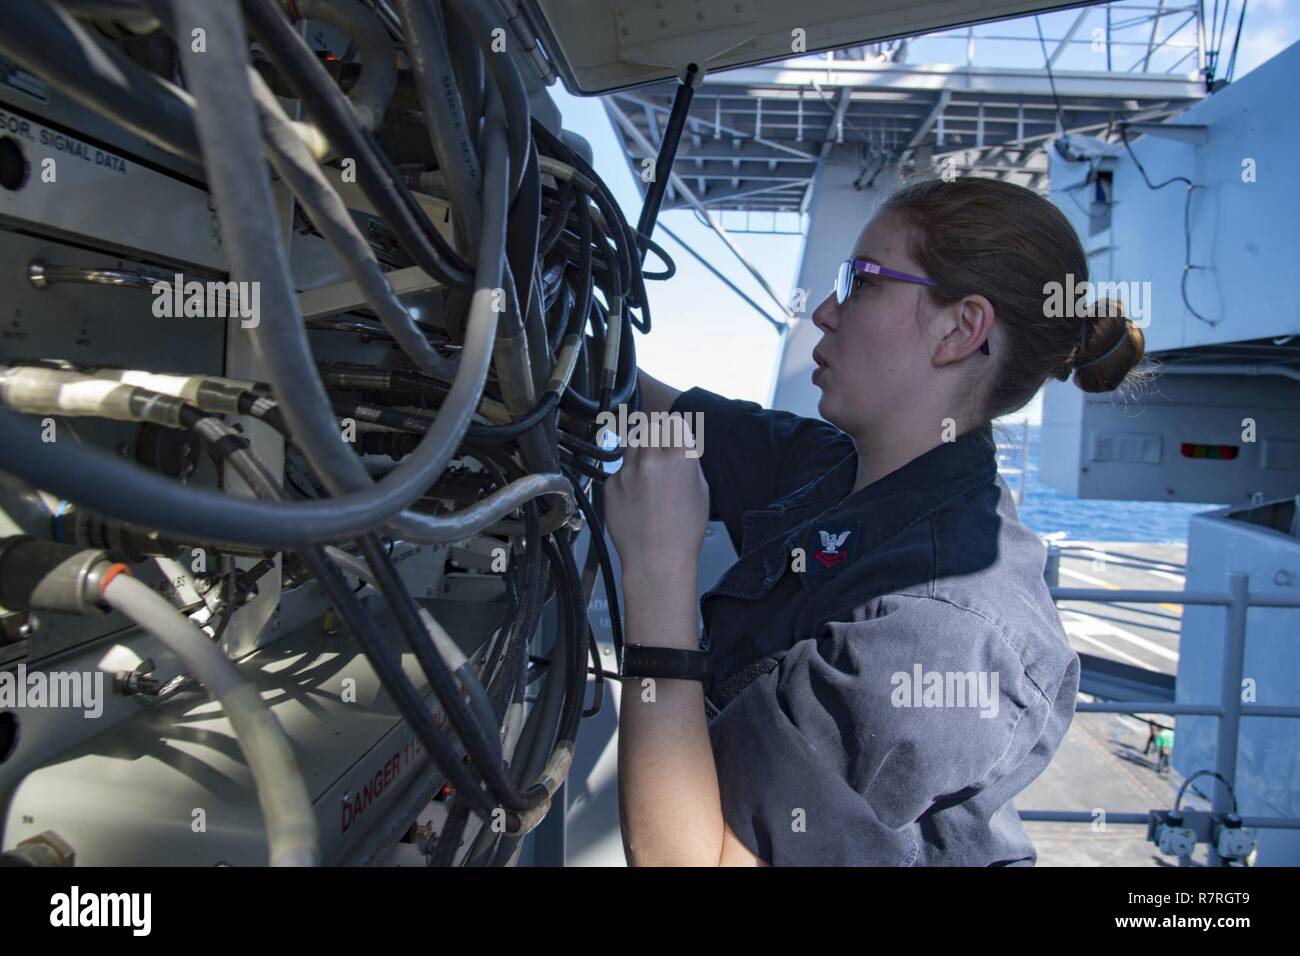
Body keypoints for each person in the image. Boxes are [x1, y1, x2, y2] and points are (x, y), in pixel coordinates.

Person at [604, 176, 1148, 866]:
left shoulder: (942, 631)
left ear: (960, 330)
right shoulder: (837, 467)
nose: (825, 312)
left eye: (860, 282)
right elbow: (645, 402)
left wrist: (657, 574)